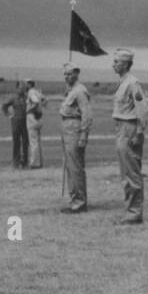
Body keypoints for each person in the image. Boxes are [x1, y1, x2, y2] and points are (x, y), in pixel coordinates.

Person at [110, 48, 148, 224]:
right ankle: (130, 209)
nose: (114, 64)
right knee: (125, 172)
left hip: (130, 128)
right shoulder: (122, 82)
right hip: (121, 127)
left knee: (132, 172)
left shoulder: (133, 83)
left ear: (125, 64)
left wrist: (139, 131)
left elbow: (142, 108)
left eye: (117, 61)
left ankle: (134, 212)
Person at [58, 63, 91, 213]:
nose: (67, 77)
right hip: (67, 128)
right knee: (70, 166)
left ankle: (79, 201)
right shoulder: (70, 91)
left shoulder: (80, 91)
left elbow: (87, 114)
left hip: (75, 129)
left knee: (76, 167)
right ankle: (74, 199)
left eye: (69, 74)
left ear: (77, 73)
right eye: (65, 74)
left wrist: (84, 134)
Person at [1, 82, 30, 169]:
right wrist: (9, 115)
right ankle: (16, 162)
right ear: (17, 88)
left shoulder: (27, 98)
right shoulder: (13, 98)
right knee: (16, 142)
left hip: (26, 122)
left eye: (23, 88)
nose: (22, 89)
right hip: (16, 122)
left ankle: (25, 162)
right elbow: (4, 106)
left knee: (25, 143)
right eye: (20, 88)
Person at [25, 79, 45, 168]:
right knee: (38, 141)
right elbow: (44, 100)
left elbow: (36, 102)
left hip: (32, 117)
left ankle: (33, 163)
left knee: (33, 142)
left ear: (29, 85)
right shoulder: (37, 92)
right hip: (40, 117)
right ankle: (40, 162)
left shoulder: (31, 92)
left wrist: (29, 110)